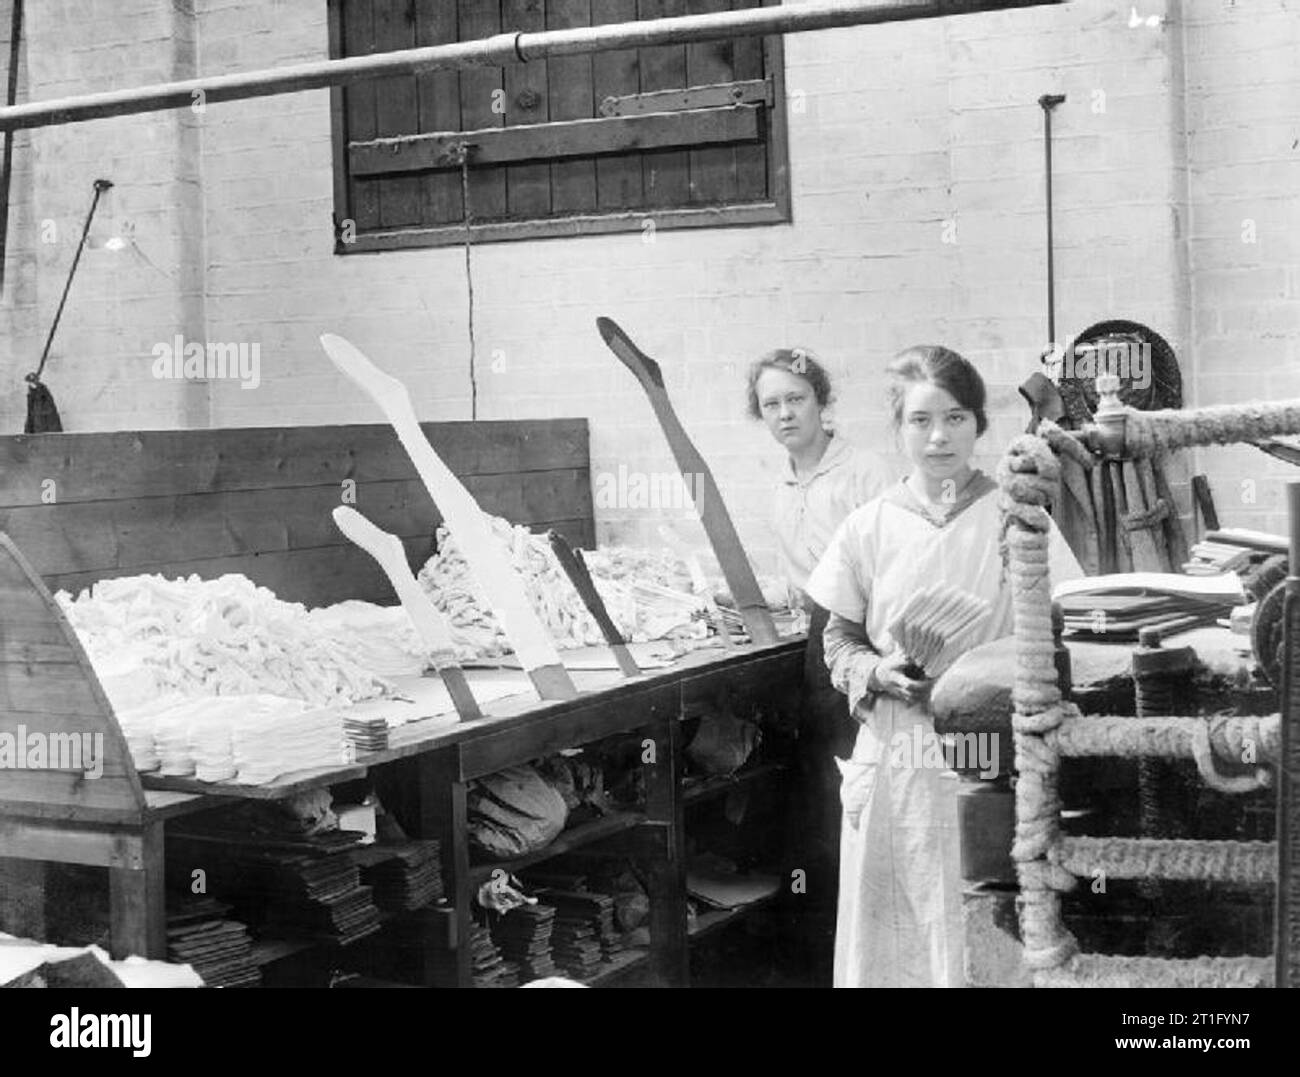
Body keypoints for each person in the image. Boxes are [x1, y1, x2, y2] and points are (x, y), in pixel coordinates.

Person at [804, 345, 1083, 988]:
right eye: (920, 420)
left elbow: (1061, 626)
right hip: (898, 746)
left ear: (979, 426)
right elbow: (839, 642)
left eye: (956, 418)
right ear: (898, 428)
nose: (938, 437)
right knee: (893, 937)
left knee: (984, 920)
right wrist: (879, 673)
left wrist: (990, 672)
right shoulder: (867, 527)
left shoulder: (1019, 518)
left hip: (989, 749)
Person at [746, 347, 892, 984]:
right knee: (815, 790)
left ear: (821, 402)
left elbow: (890, 566)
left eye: (796, 399)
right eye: (771, 403)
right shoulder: (780, 485)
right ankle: (819, 950)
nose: (785, 413)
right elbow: (798, 580)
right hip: (812, 640)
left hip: (862, 637)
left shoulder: (864, 471)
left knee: (856, 786)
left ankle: (870, 948)